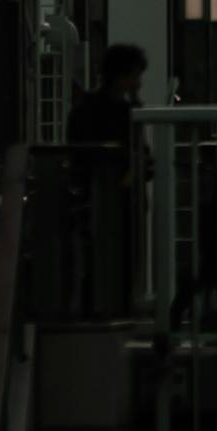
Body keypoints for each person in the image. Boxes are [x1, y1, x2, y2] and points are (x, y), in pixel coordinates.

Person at [63, 39, 150, 317]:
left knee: (110, 260)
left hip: (110, 196)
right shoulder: (111, 113)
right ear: (122, 76)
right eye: (135, 76)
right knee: (112, 258)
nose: (138, 84)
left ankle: (100, 310)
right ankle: (110, 310)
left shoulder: (87, 109)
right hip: (106, 196)